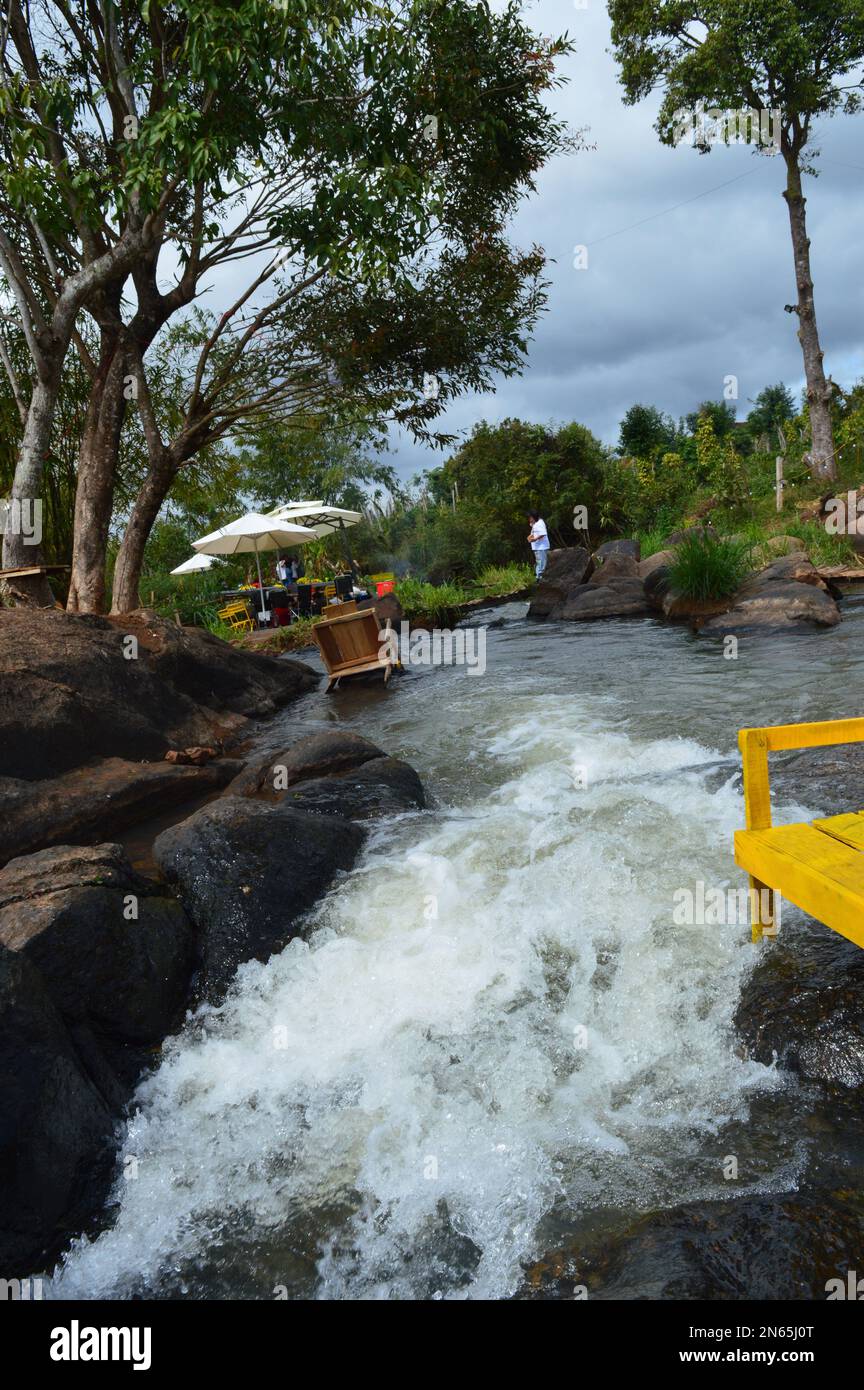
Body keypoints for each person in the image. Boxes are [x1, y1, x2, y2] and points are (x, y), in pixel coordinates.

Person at [527, 511, 550, 579]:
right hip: (538, 547)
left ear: (533, 517)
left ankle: (540, 578)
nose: (529, 519)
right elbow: (535, 532)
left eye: (530, 517)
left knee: (541, 563)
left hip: (541, 547)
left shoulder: (539, 523)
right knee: (539, 562)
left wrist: (535, 539)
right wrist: (529, 536)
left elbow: (543, 533)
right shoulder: (535, 523)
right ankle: (538, 577)